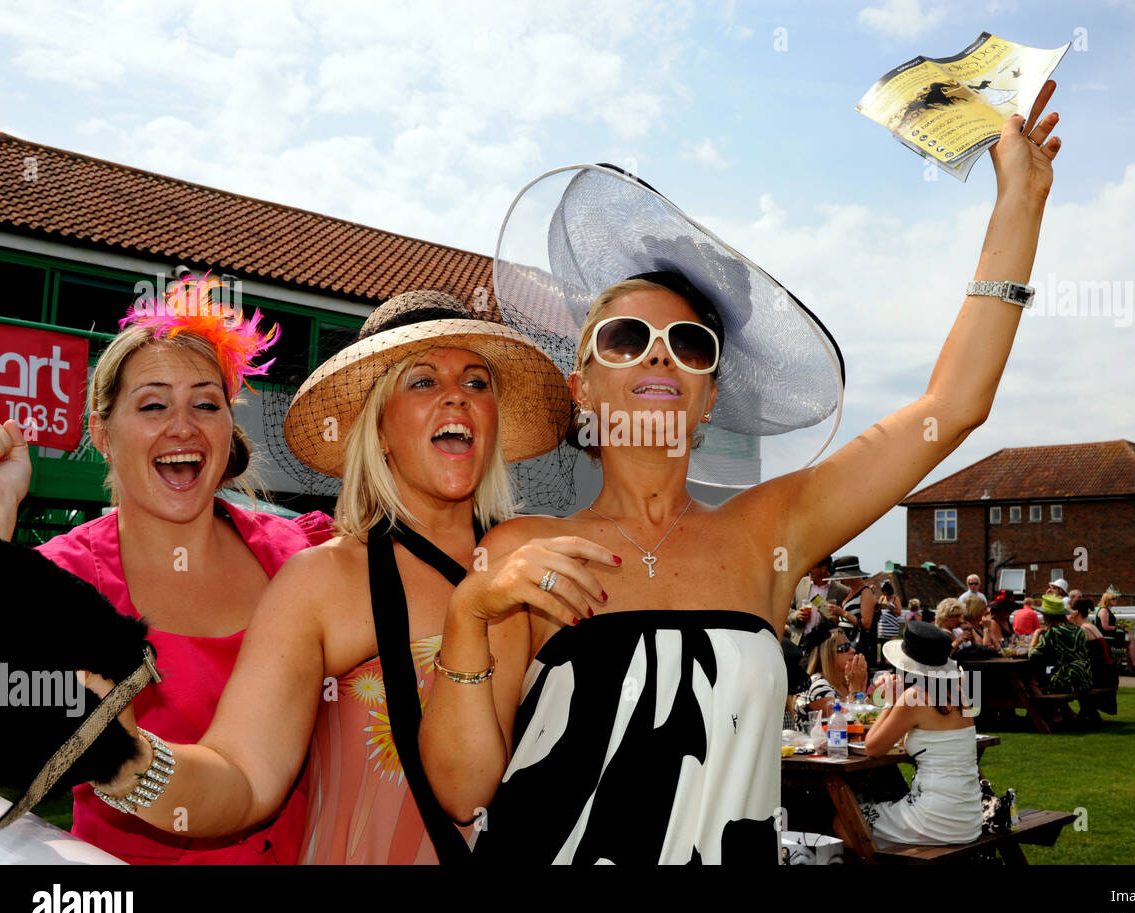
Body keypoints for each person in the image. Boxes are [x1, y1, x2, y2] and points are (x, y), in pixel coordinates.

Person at [421, 89, 1064, 864]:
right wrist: (468, 614)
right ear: (582, 386)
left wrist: (1019, 203)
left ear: (709, 396)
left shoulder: (771, 532)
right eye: (627, 337)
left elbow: (953, 406)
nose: (660, 354)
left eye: (690, 344)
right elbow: (462, 792)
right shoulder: (523, 550)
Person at [75, 290, 571, 864]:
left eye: (476, 383)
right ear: (378, 427)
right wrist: (127, 763)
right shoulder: (321, 579)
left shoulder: (543, 560)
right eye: (422, 381)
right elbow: (244, 777)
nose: (456, 396)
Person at [0, 276, 334, 864]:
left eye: (205, 403)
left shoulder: (302, 556)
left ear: (228, 429)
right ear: (102, 434)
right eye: (152, 405)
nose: (183, 426)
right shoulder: (60, 578)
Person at [857, 621, 983, 846]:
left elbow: (872, 748)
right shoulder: (960, 695)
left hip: (935, 818)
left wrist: (889, 703)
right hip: (968, 817)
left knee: (847, 822)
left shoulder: (914, 698)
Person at [795, 637, 869, 725]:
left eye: (851, 645)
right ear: (828, 654)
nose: (853, 650)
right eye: (845, 647)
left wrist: (864, 687)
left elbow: (871, 716)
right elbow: (846, 724)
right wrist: (855, 688)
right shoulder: (818, 686)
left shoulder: (844, 682)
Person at [1030, 592, 1092, 697]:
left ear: (1047, 616)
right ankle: (1066, 712)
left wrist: (1037, 633)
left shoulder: (1054, 632)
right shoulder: (1078, 630)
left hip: (1066, 679)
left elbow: (1032, 654)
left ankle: (1048, 712)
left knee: (1030, 681)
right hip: (1085, 678)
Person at [786, 554, 851, 650]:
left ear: (823, 568)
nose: (808, 570)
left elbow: (843, 621)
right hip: (800, 643)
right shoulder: (799, 584)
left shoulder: (842, 591)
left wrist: (829, 616)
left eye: (812, 567)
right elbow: (784, 610)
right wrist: (796, 615)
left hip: (826, 646)